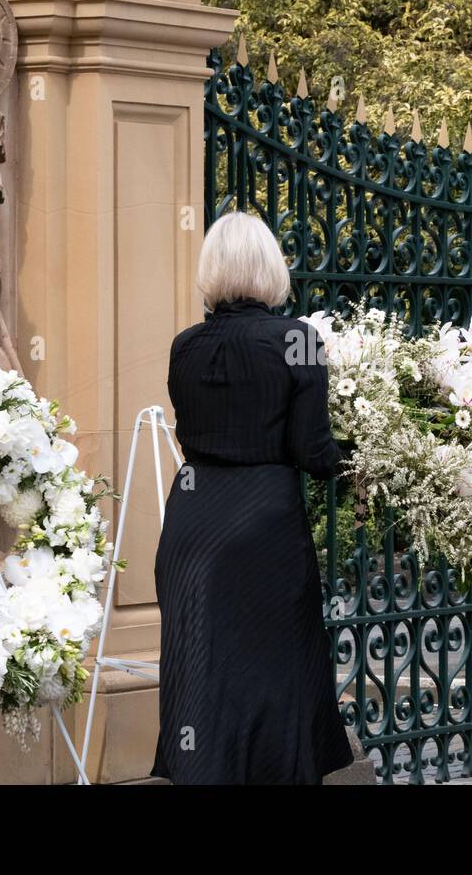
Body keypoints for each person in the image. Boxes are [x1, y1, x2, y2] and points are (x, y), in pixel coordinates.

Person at [149, 210, 355, 784]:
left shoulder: (184, 346)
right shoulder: (298, 339)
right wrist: (368, 458)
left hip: (191, 526)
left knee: (200, 672)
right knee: (274, 676)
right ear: (272, 267)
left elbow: (193, 433)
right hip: (263, 529)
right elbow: (314, 452)